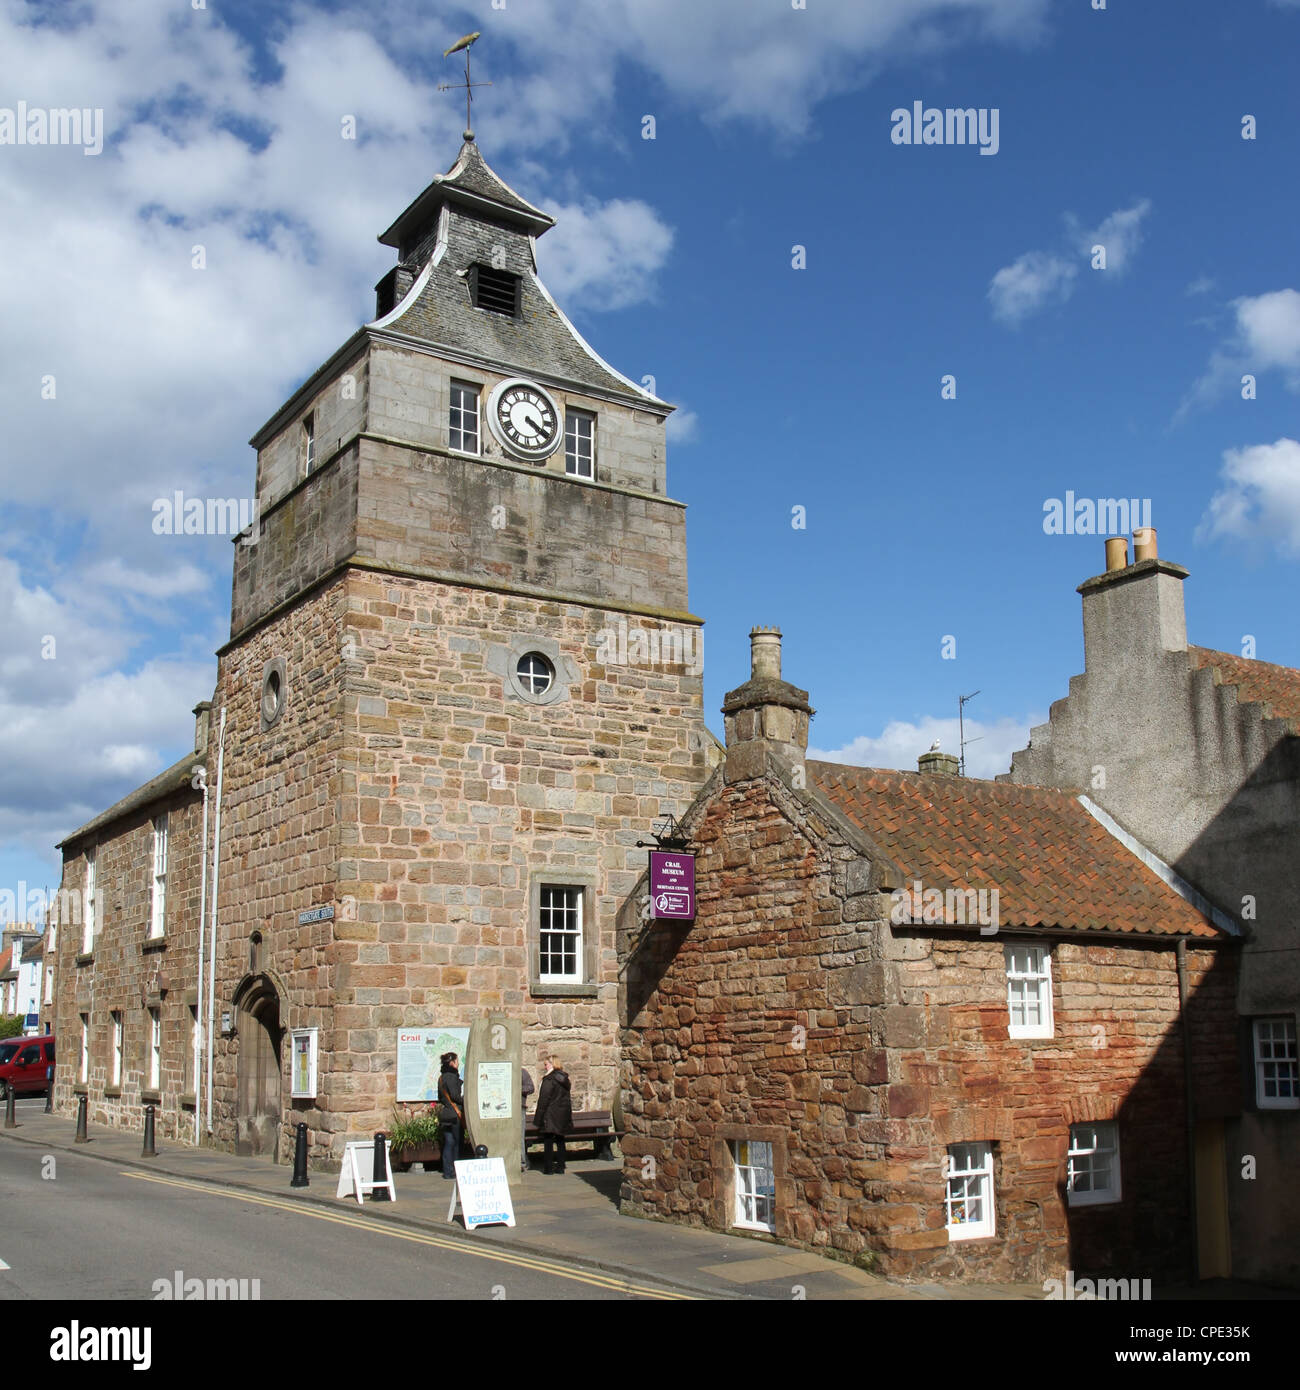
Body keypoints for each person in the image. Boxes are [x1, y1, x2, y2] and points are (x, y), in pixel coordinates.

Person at [533, 1057, 572, 1175]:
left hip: (549, 1113)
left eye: (546, 1064)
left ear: (552, 1064)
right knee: (560, 1139)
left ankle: (548, 1168)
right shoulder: (564, 1078)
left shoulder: (549, 1079)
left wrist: (538, 1117)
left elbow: (544, 1099)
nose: (545, 1067)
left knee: (548, 1140)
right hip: (561, 1113)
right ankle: (561, 1166)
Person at [437, 1052, 464, 1179]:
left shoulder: (441, 1077)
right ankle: (455, 1170)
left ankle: (447, 1171)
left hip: (445, 1114)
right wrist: (465, 1101)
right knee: (457, 1143)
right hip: (454, 1114)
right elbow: (455, 1096)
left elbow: (440, 1097)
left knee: (449, 1142)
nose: (458, 1063)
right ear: (452, 1062)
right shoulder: (452, 1077)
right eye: (457, 1061)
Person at [519, 1066, 535, 1173]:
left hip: (519, 1107)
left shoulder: (521, 1072)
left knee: (519, 1136)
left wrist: (517, 1089)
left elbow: (530, 1087)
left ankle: (522, 1162)